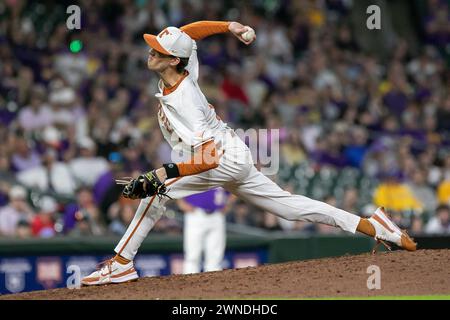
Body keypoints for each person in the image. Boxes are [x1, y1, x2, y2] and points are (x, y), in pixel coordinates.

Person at [82, 20, 416, 286]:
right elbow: (190, 34)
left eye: (157, 49)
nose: (150, 51)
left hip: (221, 159)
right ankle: (373, 226)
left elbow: (209, 159)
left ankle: (121, 264)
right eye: (153, 46)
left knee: (158, 189)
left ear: (172, 60)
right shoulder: (184, 67)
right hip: (233, 154)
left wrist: (162, 174)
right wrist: (230, 26)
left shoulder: (185, 99)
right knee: (289, 208)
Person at [178, 188, 234, 274]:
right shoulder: (192, 174)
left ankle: (214, 284)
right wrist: (180, 202)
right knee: (192, 254)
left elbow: (235, 187)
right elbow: (178, 185)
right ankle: (189, 284)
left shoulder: (221, 175)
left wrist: (229, 203)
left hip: (217, 214)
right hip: (195, 214)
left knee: (215, 255)